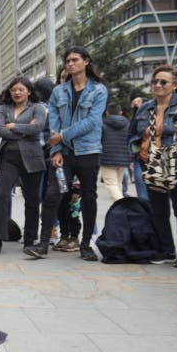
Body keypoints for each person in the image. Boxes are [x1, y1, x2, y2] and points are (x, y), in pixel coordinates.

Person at [26, 46, 108, 261]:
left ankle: (85, 244)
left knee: (89, 197)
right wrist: (56, 149)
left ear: (86, 62)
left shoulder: (98, 90)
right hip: (63, 153)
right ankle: (43, 244)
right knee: (53, 195)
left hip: (88, 150)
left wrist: (62, 136)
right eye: (67, 61)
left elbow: (92, 122)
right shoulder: (59, 91)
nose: (70, 64)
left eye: (74, 60)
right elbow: (54, 121)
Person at [0, 77, 46, 255]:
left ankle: (29, 241)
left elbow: (38, 128)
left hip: (32, 157)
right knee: (0, 195)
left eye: (20, 89)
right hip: (8, 157)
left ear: (28, 91)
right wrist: (24, 129)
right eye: (13, 90)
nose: (17, 93)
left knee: (32, 199)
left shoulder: (38, 108)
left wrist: (13, 126)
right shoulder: (4, 109)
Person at [129, 65, 177, 265]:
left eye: (163, 82)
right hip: (150, 162)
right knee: (158, 210)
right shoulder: (145, 107)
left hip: (174, 161)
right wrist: (134, 156)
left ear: (175, 85)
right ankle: (166, 250)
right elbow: (132, 134)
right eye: (154, 81)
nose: (157, 85)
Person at [99, 103, 130, 203]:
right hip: (124, 158)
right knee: (118, 185)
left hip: (107, 158)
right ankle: (119, 212)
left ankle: (123, 206)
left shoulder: (102, 124)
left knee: (111, 185)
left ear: (107, 113)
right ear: (120, 113)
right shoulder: (127, 124)